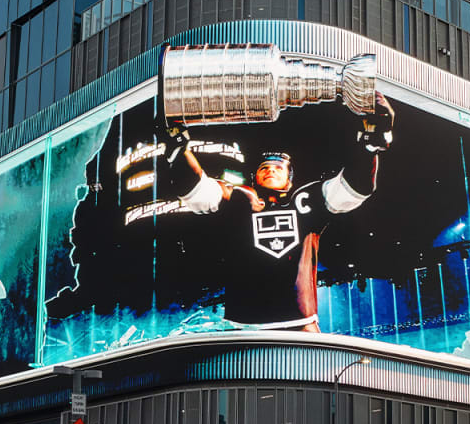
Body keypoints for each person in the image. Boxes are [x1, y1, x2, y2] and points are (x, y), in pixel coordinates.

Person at [163, 91, 394, 331]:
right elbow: (195, 191)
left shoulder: (309, 200)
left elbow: (354, 188)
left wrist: (369, 145)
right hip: (245, 327)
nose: (270, 170)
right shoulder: (238, 199)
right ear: (255, 177)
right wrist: (178, 147)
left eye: (278, 167)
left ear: (290, 178)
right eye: (264, 167)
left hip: (300, 324)